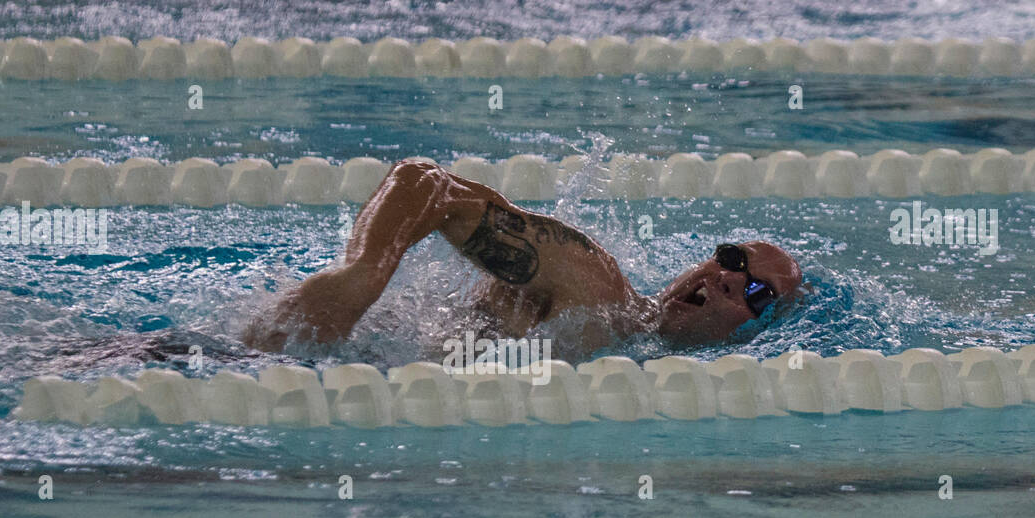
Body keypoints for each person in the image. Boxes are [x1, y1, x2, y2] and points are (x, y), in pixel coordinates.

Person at [242, 159, 802, 358]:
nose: (731, 279)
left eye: (757, 293)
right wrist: (360, 276)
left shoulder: (636, 360)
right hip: (265, 361)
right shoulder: (595, 287)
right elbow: (424, 183)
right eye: (732, 258)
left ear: (758, 331)